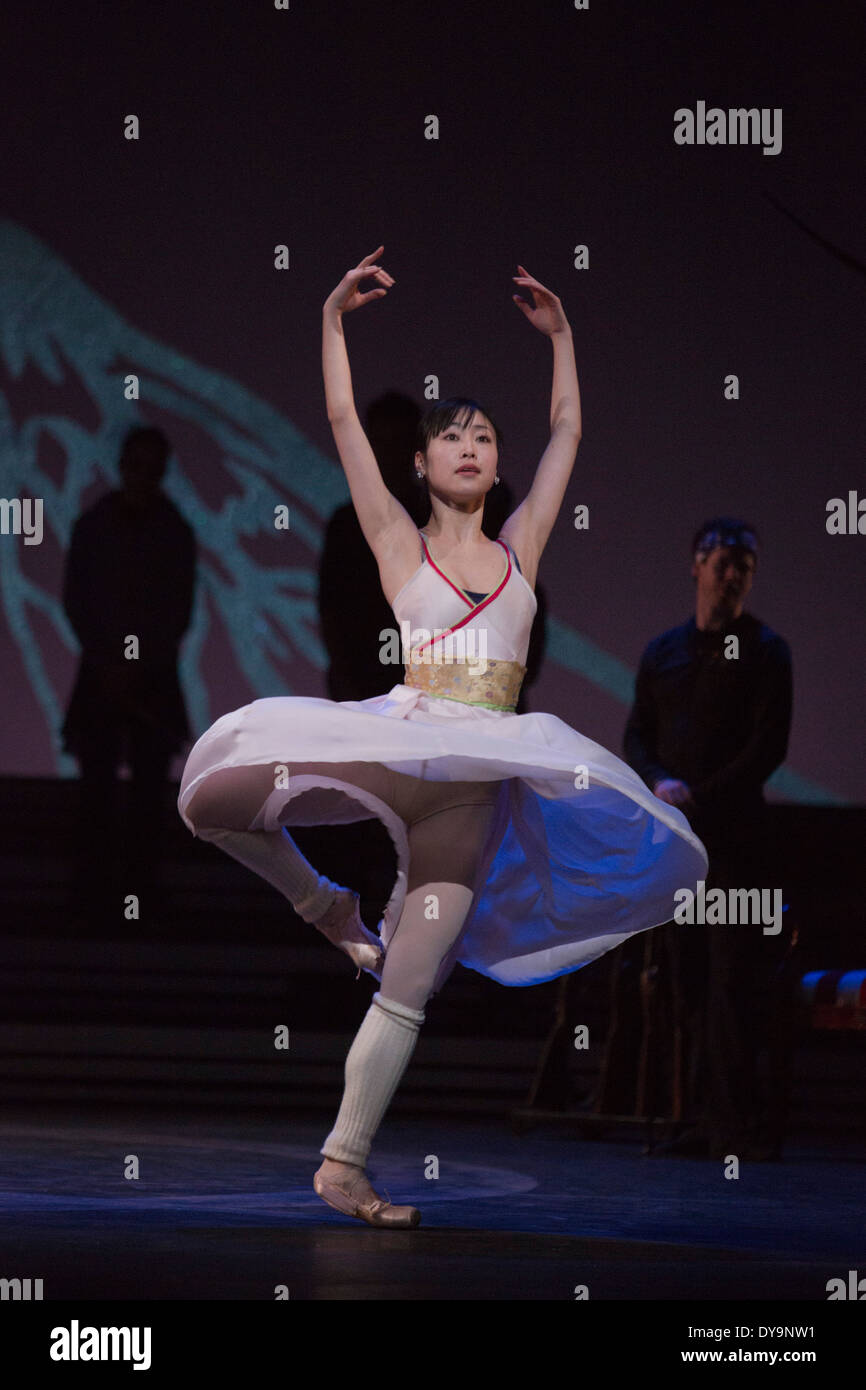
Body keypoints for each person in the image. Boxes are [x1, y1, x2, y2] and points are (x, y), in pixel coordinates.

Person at [178, 247, 707, 1227]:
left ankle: (342, 1165)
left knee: (409, 981)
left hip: (474, 785)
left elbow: (568, 427)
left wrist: (563, 337)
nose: (469, 447)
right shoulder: (395, 541)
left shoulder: (521, 549)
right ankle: (325, 904)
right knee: (211, 798)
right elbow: (342, 420)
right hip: (403, 740)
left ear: (497, 467)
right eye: (450, 437)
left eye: (483, 438)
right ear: (419, 465)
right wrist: (331, 318)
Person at [622, 519, 795, 1158]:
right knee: (687, 978)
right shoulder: (664, 652)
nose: (732, 576)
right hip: (676, 848)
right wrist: (660, 782)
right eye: (722, 563)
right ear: (696, 566)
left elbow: (766, 748)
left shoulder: (767, 652)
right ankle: (699, 1118)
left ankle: (738, 1125)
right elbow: (637, 735)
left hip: (736, 848)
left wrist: (701, 794)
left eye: (743, 567)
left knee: (732, 982)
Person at [62, 426, 196, 915]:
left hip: (135, 678)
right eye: (137, 464)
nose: (143, 475)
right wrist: (117, 662)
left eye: (150, 466)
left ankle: (122, 891)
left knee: (141, 794)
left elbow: (175, 609)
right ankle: (103, 892)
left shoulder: (165, 531)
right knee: (104, 791)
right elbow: (78, 599)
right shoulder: (106, 526)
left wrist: (122, 665)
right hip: (123, 677)